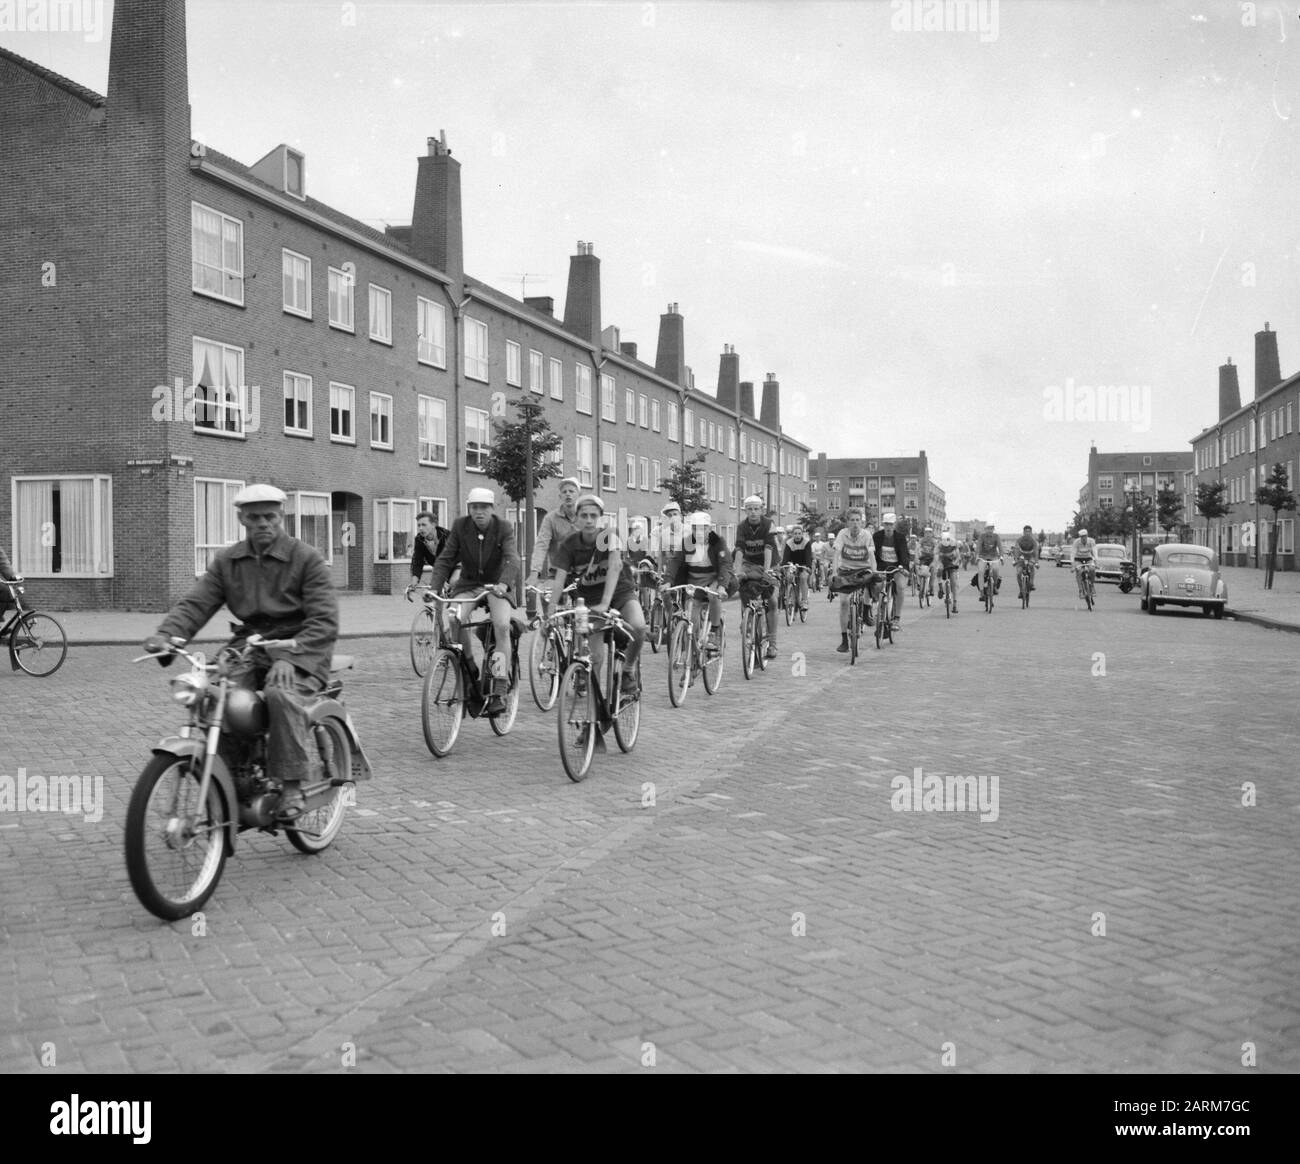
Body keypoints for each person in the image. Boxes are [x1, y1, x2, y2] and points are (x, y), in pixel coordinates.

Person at [143, 484, 338, 819]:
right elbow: (196, 602)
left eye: (270, 517)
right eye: (254, 517)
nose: (263, 524)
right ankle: (234, 774)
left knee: (280, 694)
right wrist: (168, 635)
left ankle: (291, 784)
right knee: (217, 696)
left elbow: (324, 621)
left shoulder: (306, 559)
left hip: (299, 646)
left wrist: (291, 657)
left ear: (281, 517)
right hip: (249, 645)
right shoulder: (228, 561)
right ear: (242, 519)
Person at [427, 487, 521, 715]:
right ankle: (469, 666)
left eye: (483, 508)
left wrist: (504, 584)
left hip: (497, 585)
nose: (479, 512)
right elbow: (445, 559)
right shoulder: (461, 526)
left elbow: (513, 558)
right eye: (474, 507)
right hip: (469, 584)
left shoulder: (504, 528)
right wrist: (433, 589)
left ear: (492, 509)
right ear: (469, 509)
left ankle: (499, 686)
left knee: (500, 625)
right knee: (454, 616)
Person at [552, 494, 647, 698]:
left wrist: (606, 603)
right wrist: (550, 611)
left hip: (621, 591)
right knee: (595, 657)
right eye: (584, 515)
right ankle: (592, 715)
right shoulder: (569, 544)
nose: (588, 520)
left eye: (593, 516)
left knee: (639, 626)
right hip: (591, 599)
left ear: (600, 518)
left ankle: (629, 669)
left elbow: (614, 566)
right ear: (576, 518)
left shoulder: (609, 536)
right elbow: (559, 580)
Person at [672, 512, 733, 655]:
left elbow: (725, 564)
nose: (699, 532)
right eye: (695, 528)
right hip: (694, 584)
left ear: (709, 529)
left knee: (713, 596)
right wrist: (668, 581)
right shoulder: (686, 542)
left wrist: (722, 586)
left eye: (703, 528)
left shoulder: (718, 542)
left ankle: (715, 632)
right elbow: (675, 561)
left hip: (714, 580)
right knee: (691, 621)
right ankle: (693, 655)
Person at [732, 495, 781, 660]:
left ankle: (773, 643)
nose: (753, 512)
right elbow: (739, 550)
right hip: (750, 563)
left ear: (761, 510)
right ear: (745, 510)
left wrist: (767, 571)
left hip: (770, 563)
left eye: (756, 509)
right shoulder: (741, 527)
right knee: (744, 585)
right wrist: (737, 571)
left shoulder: (768, 524)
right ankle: (747, 618)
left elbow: (768, 548)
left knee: (772, 601)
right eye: (749, 509)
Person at [530, 477, 581, 612]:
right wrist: (535, 572)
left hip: (582, 573)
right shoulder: (550, 518)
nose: (568, 494)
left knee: (587, 615)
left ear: (578, 495)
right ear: (560, 496)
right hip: (557, 573)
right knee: (547, 601)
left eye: (571, 491)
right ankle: (550, 628)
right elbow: (541, 545)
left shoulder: (586, 517)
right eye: (564, 492)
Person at [831, 507, 877, 652]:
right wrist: (834, 572)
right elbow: (837, 554)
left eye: (858, 520)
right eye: (852, 520)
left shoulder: (867, 535)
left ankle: (866, 611)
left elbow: (871, 556)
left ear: (862, 522)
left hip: (864, 569)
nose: (855, 523)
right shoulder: (842, 534)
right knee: (844, 602)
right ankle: (844, 639)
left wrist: (874, 571)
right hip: (846, 570)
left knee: (872, 583)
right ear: (847, 522)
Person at [872, 511, 911, 629]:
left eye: (891, 525)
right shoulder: (877, 536)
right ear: (883, 525)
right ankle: (877, 607)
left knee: (900, 586)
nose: (888, 527)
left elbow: (904, 554)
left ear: (894, 525)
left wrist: (903, 568)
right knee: (876, 586)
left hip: (897, 567)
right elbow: (872, 553)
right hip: (881, 567)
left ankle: (897, 618)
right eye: (886, 524)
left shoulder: (900, 538)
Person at [406, 510, 450, 597]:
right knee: (431, 596)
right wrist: (414, 581)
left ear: (433, 525)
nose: (420, 528)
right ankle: (434, 609)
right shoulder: (419, 540)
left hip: (457, 568)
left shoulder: (447, 536)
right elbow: (417, 561)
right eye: (419, 525)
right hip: (439, 572)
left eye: (424, 525)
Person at [781, 524, 812, 614]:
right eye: (795, 533)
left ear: (802, 534)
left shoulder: (806, 543)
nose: (797, 535)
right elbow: (785, 557)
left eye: (799, 533)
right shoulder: (789, 543)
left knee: (803, 578)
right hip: (792, 565)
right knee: (788, 576)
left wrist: (808, 567)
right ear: (792, 535)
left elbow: (808, 556)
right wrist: (784, 565)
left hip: (804, 565)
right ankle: (789, 597)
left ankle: (804, 601)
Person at [974, 523, 1003, 598]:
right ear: (985, 529)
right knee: (981, 572)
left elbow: (1000, 547)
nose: (990, 530)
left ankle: (995, 586)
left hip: (994, 556)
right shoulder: (982, 536)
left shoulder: (996, 536)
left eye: (991, 529)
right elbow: (978, 547)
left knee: (996, 569)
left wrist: (1001, 556)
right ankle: (981, 592)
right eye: (988, 529)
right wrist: (977, 556)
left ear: (993, 529)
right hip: (983, 556)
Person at [937, 531, 961, 612]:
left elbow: (958, 557)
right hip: (943, 563)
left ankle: (955, 604)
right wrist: (939, 563)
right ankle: (940, 587)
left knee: (953, 583)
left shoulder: (954, 544)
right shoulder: (939, 545)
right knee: (939, 570)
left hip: (952, 564)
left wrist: (955, 563)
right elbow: (936, 556)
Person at [1012, 524, 1039, 592]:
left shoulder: (1033, 541)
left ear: (1031, 532)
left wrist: (1036, 562)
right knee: (1019, 573)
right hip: (1022, 557)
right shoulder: (1019, 540)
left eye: (1029, 531)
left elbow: (1036, 552)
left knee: (1031, 566)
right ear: (1023, 532)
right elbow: (1016, 550)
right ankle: (1021, 590)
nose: (1027, 533)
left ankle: (1031, 583)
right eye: (1026, 531)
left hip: (1031, 557)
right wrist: (1016, 559)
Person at [1071, 527, 1097, 594]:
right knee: (1079, 571)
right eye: (1082, 537)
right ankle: (1080, 589)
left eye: (1085, 536)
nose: (1084, 538)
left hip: (1088, 558)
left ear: (1087, 536)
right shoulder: (1076, 542)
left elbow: (1094, 552)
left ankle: (1092, 585)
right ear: (1080, 537)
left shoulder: (1092, 541)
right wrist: (1073, 565)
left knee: (1092, 569)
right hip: (1078, 559)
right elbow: (1073, 553)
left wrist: (1096, 562)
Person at [917, 525, 937, 596]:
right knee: (918, 568)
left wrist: (934, 561)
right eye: (926, 533)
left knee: (933, 570)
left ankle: (931, 587)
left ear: (931, 534)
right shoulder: (921, 540)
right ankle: (919, 584)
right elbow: (918, 548)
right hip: (923, 558)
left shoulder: (934, 542)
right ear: (924, 534)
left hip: (931, 559)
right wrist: (917, 556)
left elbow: (936, 552)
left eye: (929, 533)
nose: (928, 534)